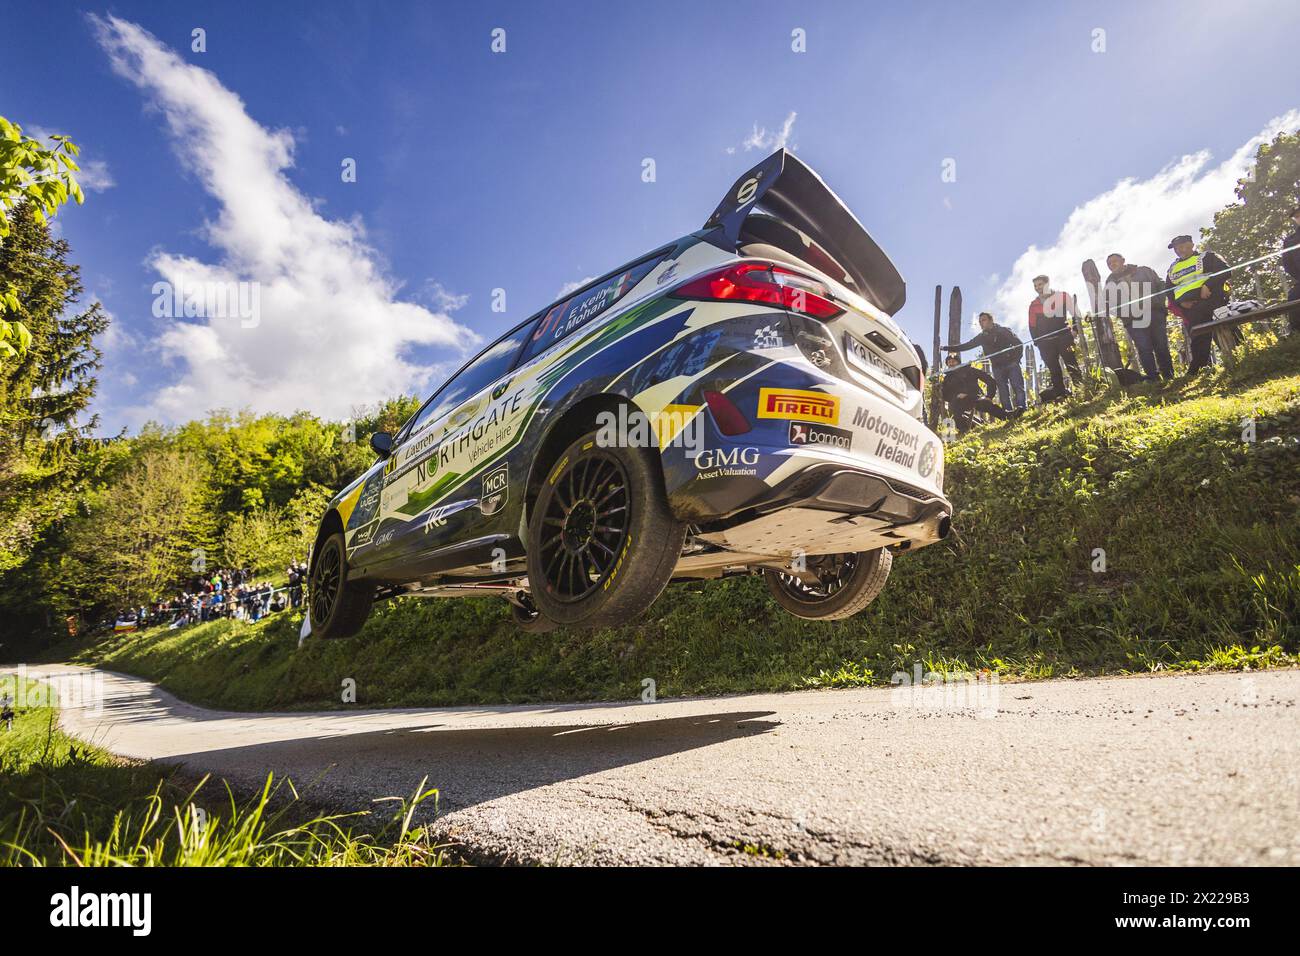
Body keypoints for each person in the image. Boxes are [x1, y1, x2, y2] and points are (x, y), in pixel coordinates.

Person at [1165, 234, 1229, 376]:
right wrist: (1181, 303)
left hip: (1213, 300)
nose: (1178, 250)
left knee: (1223, 329)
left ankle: (1237, 355)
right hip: (1190, 308)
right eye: (1176, 248)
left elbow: (1225, 271)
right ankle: (1201, 368)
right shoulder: (1172, 269)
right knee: (1198, 337)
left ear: (1191, 244)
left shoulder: (1207, 257)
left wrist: (1208, 285)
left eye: (1181, 246)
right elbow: (1168, 291)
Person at [1105, 253, 1175, 381]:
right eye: (1109, 263)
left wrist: (1158, 302)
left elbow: (1160, 284)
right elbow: (1110, 304)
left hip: (1154, 313)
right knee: (1144, 348)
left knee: (1161, 345)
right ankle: (1153, 379)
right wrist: (1125, 315)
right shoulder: (1110, 283)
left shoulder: (1143, 270)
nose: (1112, 264)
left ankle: (1169, 376)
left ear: (1123, 260)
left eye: (1115, 261)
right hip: (1133, 320)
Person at [941, 312, 1026, 412]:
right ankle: (1008, 413)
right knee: (1002, 389)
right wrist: (946, 348)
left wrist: (1016, 359)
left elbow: (1018, 344)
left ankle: (1022, 409)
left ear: (991, 320)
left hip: (1011, 363)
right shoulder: (981, 337)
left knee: (1017, 385)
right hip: (997, 367)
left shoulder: (1003, 331)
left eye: (984, 320)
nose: (981, 323)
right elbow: (966, 346)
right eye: (980, 321)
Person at [1028, 275, 1084, 396]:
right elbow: (1032, 326)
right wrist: (1038, 343)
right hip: (1046, 343)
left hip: (1064, 337)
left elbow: (1076, 313)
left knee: (1071, 363)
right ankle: (1061, 395)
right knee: (1054, 370)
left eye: (1040, 284)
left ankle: (1081, 390)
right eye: (1035, 286)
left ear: (1047, 284)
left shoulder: (1062, 296)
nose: (1038, 288)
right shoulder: (1033, 305)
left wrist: (1075, 330)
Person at [940, 354, 1009, 433]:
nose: (951, 364)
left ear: (958, 362)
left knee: (986, 404)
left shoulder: (970, 370)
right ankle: (964, 430)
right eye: (949, 362)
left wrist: (989, 396)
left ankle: (1007, 416)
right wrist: (956, 396)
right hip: (959, 401)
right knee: (954, 409)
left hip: (975, 397)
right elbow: (945, 394)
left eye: (953, 361)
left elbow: (990, 380)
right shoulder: (947, 378)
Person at [1283, 206, 1300, 335]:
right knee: (1293, 297)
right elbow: (1288, 265)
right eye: (1297, 216)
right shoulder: (1290, 241)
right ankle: (1296, 335)